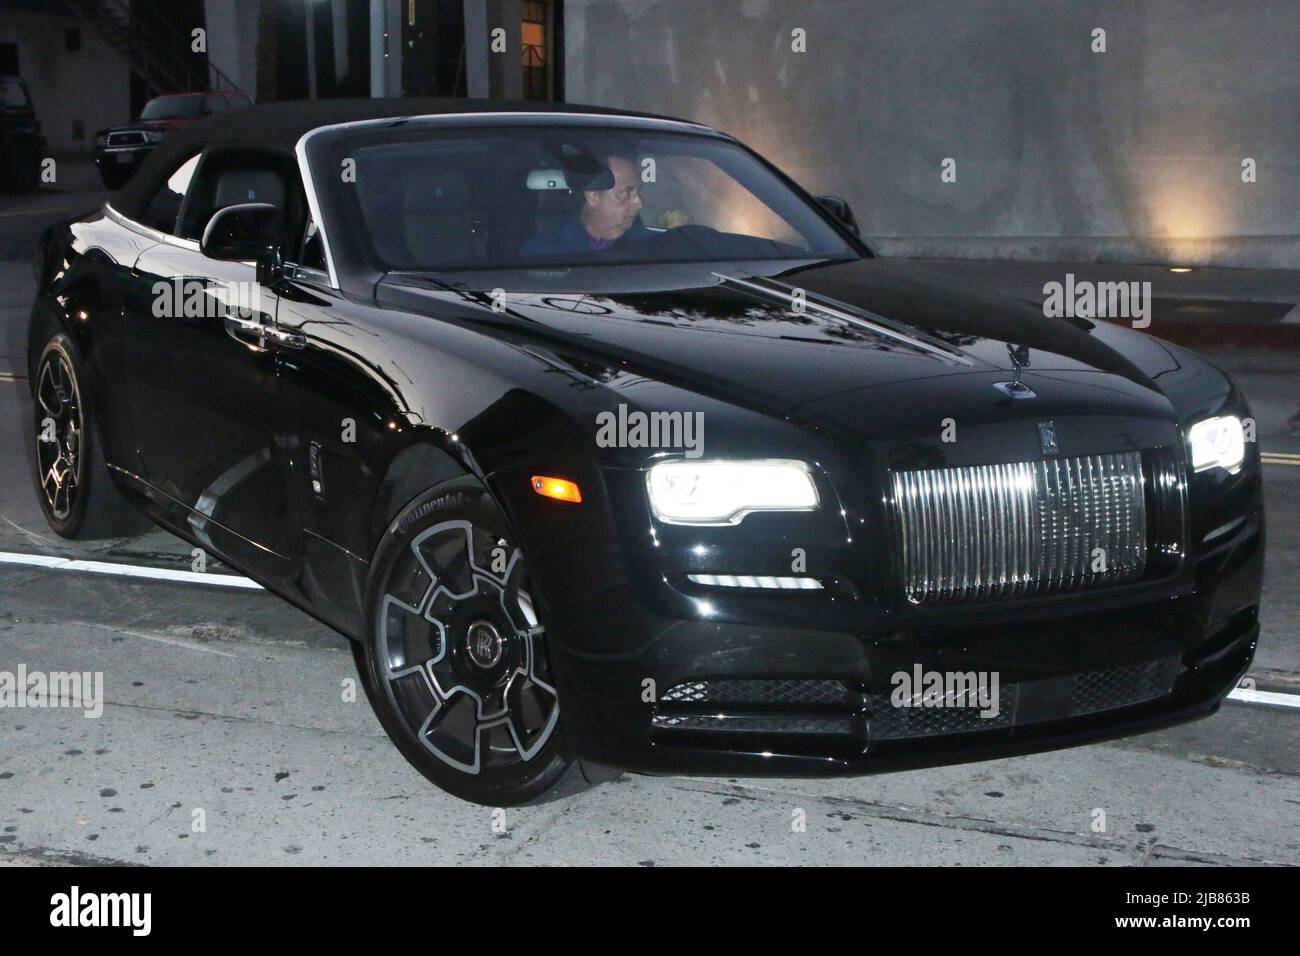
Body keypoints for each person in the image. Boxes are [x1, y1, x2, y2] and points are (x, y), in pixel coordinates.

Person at [521, 154, 652, 256]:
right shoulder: (546, 253)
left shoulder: (649, 246)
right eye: (625, 193)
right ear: (592, 196)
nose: (639, 204)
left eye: (637, 191)